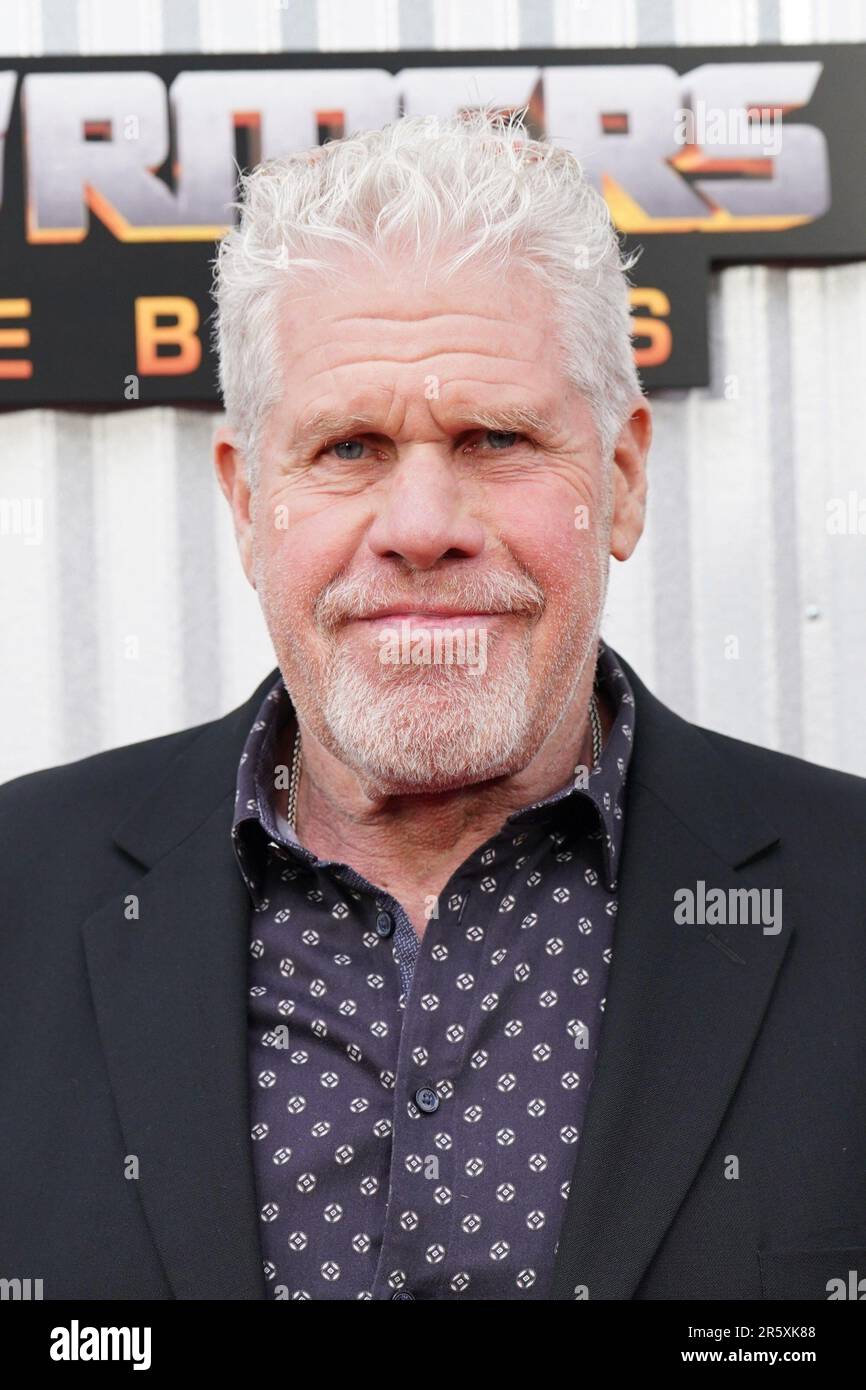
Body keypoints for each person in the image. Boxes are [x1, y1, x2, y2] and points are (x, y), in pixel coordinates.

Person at [1, 110, 864, 1301]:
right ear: (248, 503)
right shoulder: (18, 896)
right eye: (349, 447)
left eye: (494, 438)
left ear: (617, 479)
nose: (420, 528)